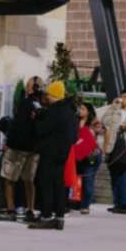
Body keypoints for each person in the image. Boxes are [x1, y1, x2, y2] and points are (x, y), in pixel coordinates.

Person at [29, 80, 77, 230]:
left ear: (52, 95)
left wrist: (37, 118)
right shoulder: (70, 111)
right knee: (59, 184)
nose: (46, 97)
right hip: (63, 153)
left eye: (48, 94)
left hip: (49, 151)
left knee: (45, 183)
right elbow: (74, 136)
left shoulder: (54, 111)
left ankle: (46, 215)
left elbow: (41, 130)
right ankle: (59, 216)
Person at [1, 76, 42, 220]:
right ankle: (30, 208)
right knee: (29, 180)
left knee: (10, 179)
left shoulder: (24, 103)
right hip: (34, 149)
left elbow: (17, 125)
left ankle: (11, 209)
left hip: (17, 148)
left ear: (28, 88)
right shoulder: (42, 104)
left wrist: (8, 142)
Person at [70, 103, 100, 213]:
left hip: (90, 156)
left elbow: (100, 133)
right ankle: (75, 203)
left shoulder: (94, 123)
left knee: (88, 181)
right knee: (75, 180)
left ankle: (85, 205)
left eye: (83, 109)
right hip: (77, 155)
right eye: (79, 108)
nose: (80, 110)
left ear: (88, 111)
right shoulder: (74, 122)